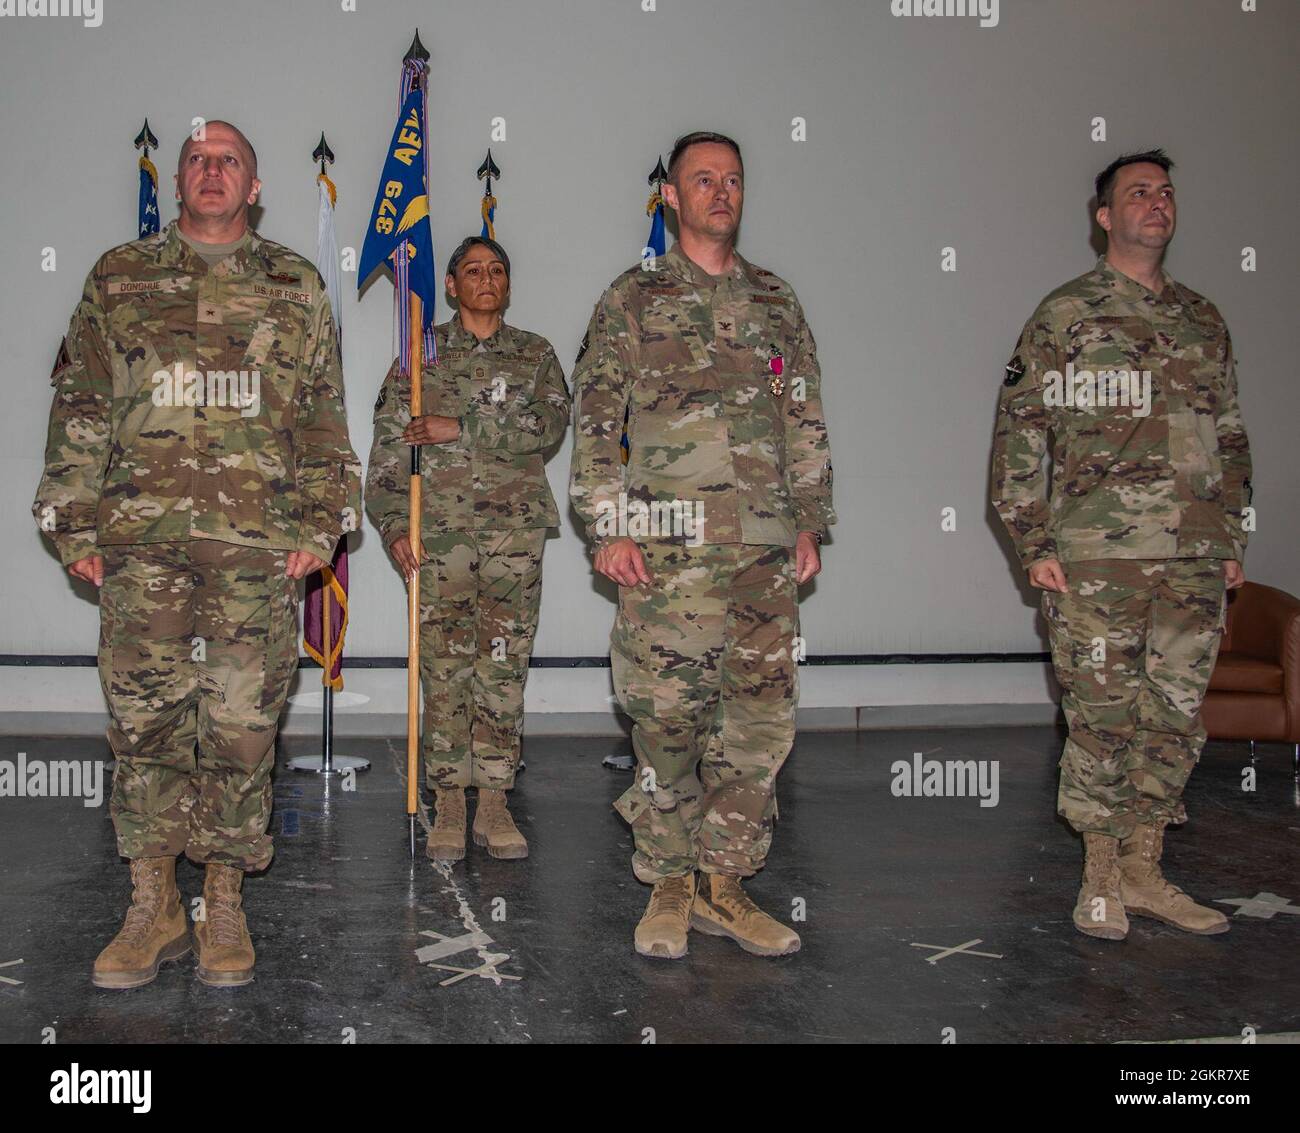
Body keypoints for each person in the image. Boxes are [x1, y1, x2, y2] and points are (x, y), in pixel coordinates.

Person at [33, 120, 363, 987]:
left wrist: (321, 523)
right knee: (145, 724)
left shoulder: (294, 284)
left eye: (230, 161)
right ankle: (152, 904)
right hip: (141, 544)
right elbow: (82, 404)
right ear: (178, 181)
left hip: (259, 549)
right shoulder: (120, 276)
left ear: (254, 188)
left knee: (244, 729)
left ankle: (222, 898)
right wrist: (71, 521)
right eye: (197, 159)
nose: (212, 171)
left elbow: (324, 415)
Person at [569, 131, 834, 959]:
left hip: (762, 550)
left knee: (757, 728)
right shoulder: (632, 299)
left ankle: (726, 885)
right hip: (665, 553)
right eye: (702, 180)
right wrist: (607, 527)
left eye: (733, 180)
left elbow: (805, 419)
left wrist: (809, 518)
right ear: (671, 198)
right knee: (667, 722)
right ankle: (669, 881)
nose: (721, 192)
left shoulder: (777, 301)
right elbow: (595, 419)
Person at [991, 149, 1252, 941]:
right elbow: (1018, 435)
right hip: (1096, 555)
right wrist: (1033, 540)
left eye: (1166, 192)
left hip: (1195, 556)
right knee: (1102, 713)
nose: (1156, 203)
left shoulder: (1204, 319)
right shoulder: (1063, 316)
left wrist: (1231, 533)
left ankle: (1145, 869)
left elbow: (1231, 435)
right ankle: (1099, 875)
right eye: (1137, 193)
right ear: (1104, 217)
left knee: (1173, 714)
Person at [367, 236, 570, 862]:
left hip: (514, 540)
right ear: (451, 285)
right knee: (445, 669)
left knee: (503, 669)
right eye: (473, 271)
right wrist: (394, 526)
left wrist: (468, 427)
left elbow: (551, 425)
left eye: (498, 270)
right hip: (442, 538)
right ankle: (450, 798)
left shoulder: (534, 354)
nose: (487, 279)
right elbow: (388, 447)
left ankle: (496, 797)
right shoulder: (419, 355)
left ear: (508, 283)